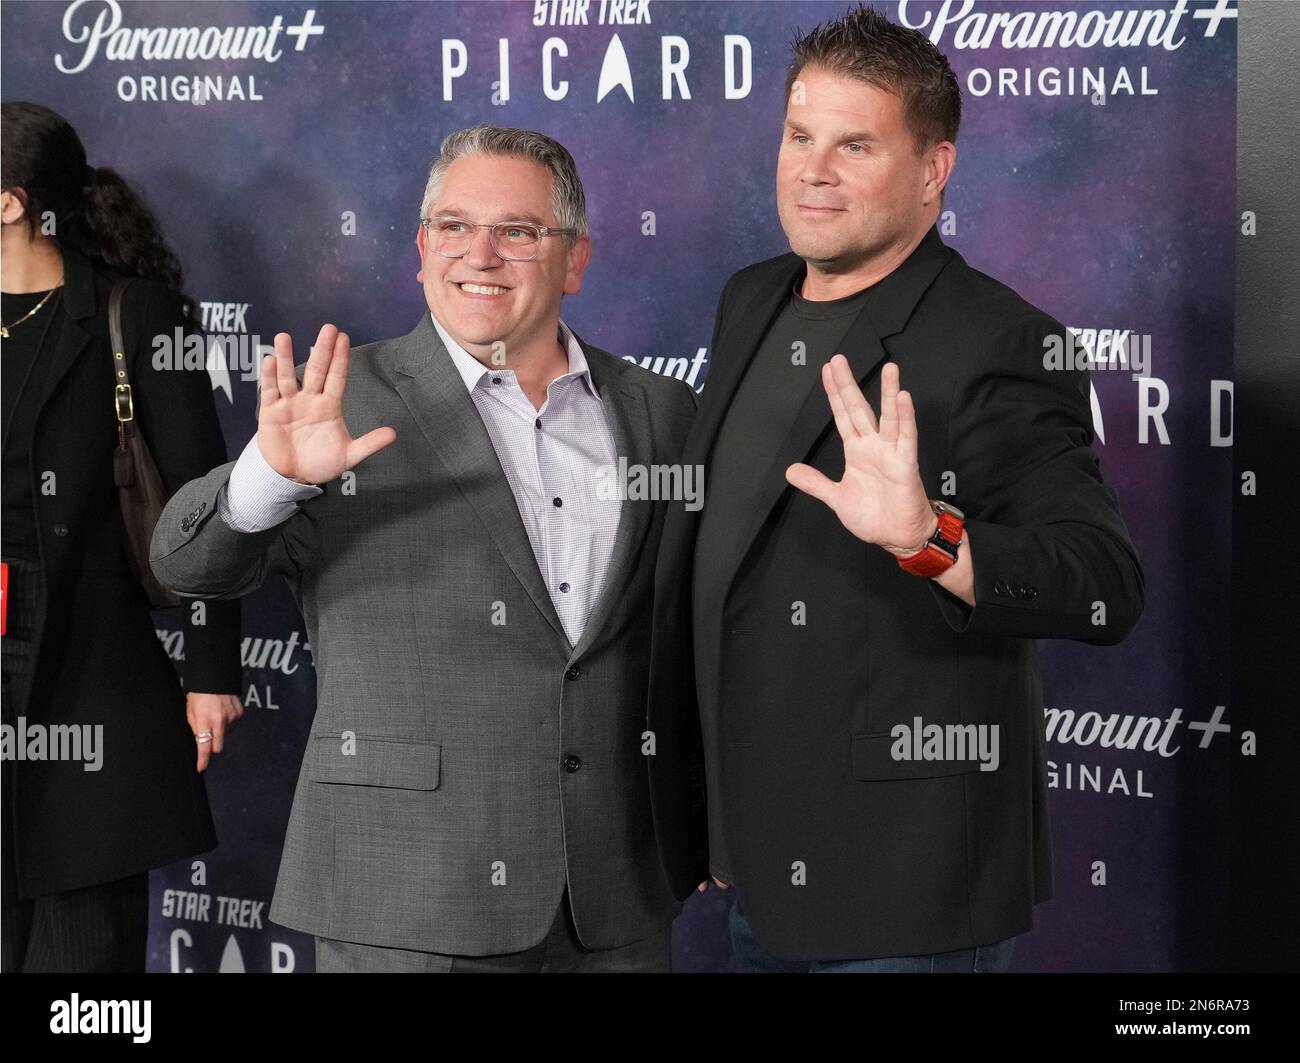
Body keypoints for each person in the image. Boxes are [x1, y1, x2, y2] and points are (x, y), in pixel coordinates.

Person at [647, 6, 1146, 972]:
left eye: (856, 144)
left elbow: (1105, 582)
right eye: (800, 136)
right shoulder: (752, 297)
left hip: (902, 891)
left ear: (933, 171)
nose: (813, 169)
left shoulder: (997, 339)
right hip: (756, 861)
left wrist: (930, 536)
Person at [151, 125, 697, 972]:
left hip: (617, 897)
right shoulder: (340, 401)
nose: (480, 252)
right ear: (421, 247)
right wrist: (269, 474)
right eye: (452, 226)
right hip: (406, 891)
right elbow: (186, 565)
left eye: (517, 231)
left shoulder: (661, 411)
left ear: (575, 259)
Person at [1, 101, 244, 972]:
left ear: (12, 202)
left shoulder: (131, 315)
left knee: (82, 970)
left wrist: (212, 671)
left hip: (82, 671)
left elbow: (207, 504)